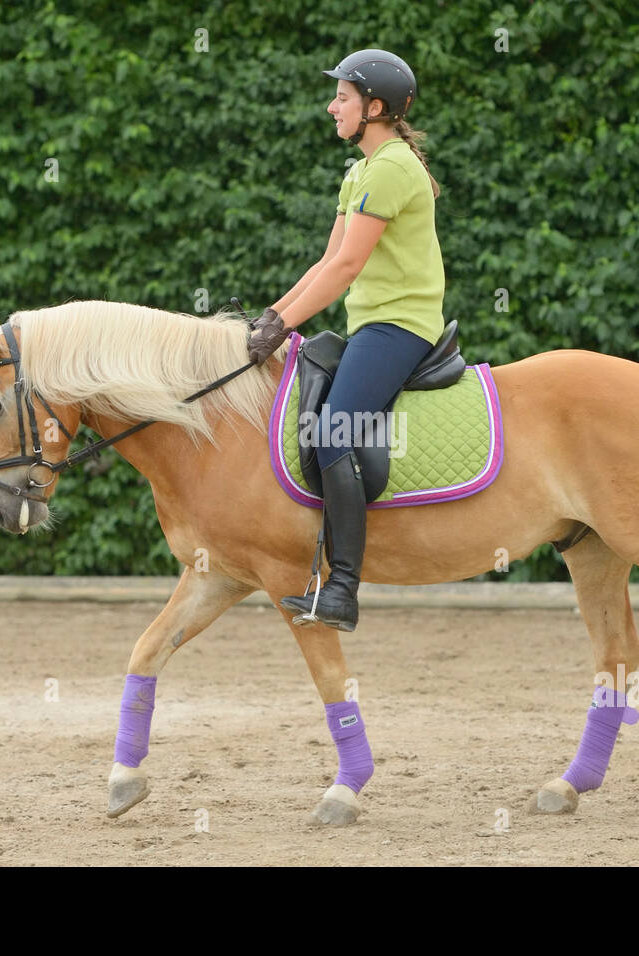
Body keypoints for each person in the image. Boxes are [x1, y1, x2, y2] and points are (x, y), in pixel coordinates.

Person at [246, 48, 446, 631]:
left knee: (334, 428)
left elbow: (346, 268)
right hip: (369, 324)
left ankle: (342, 587)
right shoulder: (361, 169)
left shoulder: (390, 167)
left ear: (374, 107)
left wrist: (282, 326)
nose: (331, 106)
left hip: (399, 325)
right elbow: (328, 259)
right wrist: (271, 315)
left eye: (342, 97)